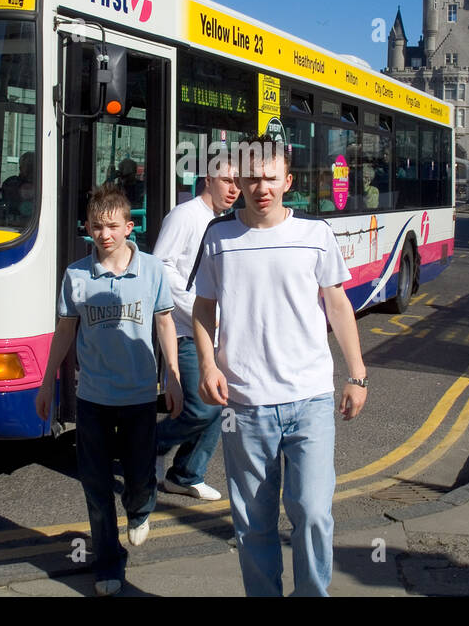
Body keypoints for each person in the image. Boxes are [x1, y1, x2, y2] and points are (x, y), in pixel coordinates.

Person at [190, 135, 368, 596]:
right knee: (253, 525)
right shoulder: (219, 236)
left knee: (312, 510)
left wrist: (356, 374)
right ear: (240, 182)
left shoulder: (315, 235)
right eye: (252, 177)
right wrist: (207, 366)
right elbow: (203, 308)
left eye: (271, 177)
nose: (261, 187)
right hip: (245, 405)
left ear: (287, 181)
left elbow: (338, 305)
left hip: (309, 399)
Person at [34, 184, 182, 596]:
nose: (105, 235)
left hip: (138, 397)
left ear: (129, 227)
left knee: (137, 479)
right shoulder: (77, 275)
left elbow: (165, 324)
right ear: (87, 228)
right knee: (95, 487)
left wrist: (173, 377)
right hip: (93, 399)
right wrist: (48, 381)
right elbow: (65, 329)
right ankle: (107, 563)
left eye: (113, 226)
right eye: (97, 227)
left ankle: (140, 511)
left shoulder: (152, 270)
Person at [153, 158, 241, 501]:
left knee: (219, 403)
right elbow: (161, 266)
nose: (234, 189)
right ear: (208, 179)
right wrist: (199, 310)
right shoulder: (185, 215)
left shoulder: (224, 222)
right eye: (227, 181)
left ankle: (185, 474)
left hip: (216, 332)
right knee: (203, 408)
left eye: (238, 183)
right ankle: (152, 444)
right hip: (185, 330)